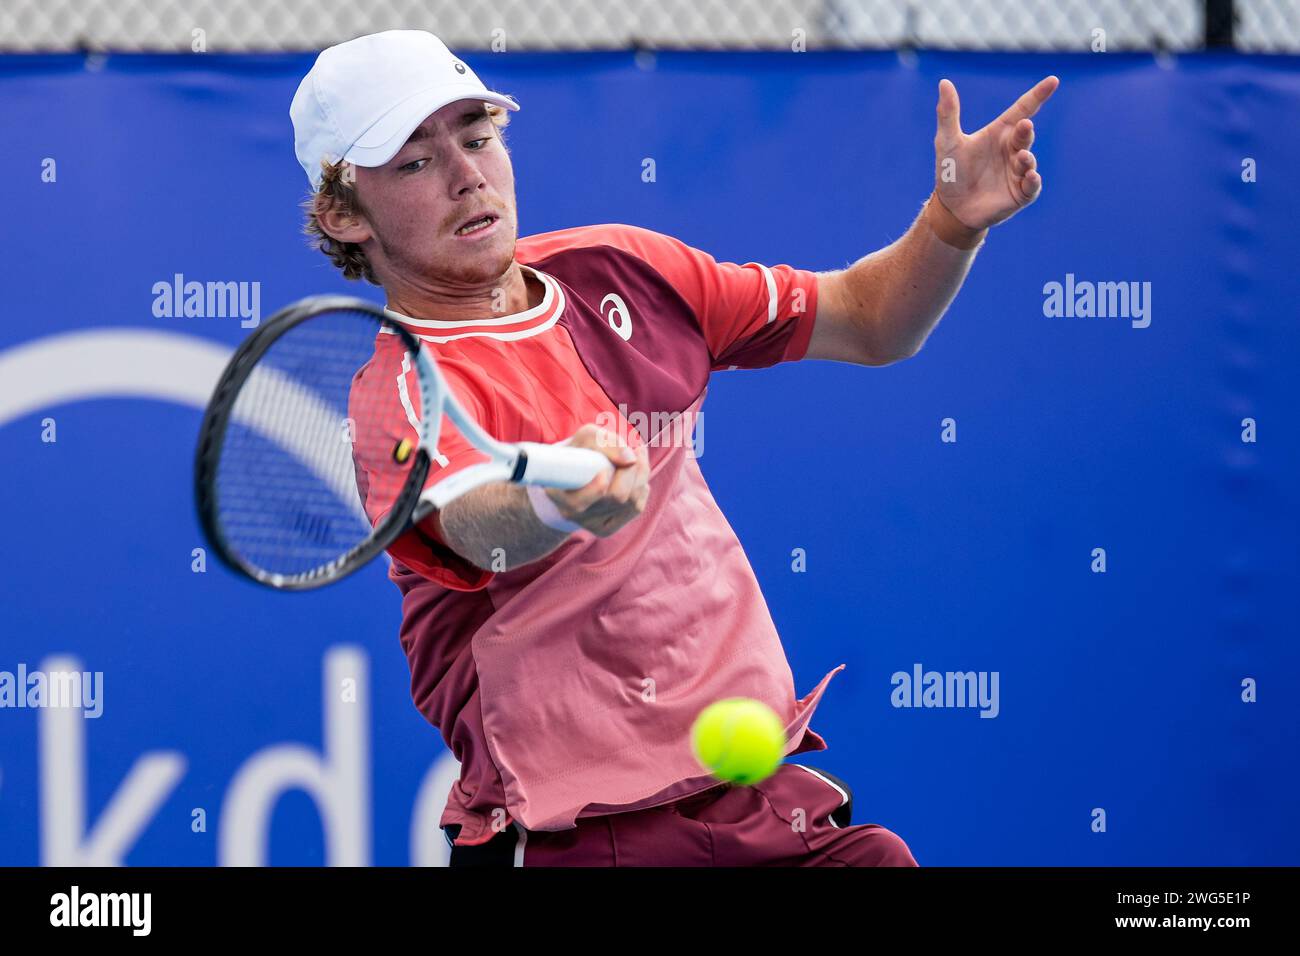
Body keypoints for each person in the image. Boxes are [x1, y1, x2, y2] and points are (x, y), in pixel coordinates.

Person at [290, 29, 1056, 866]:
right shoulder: (400, 386)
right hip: (575, 836)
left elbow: (872, 322)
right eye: (413, 164)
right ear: (342, 213)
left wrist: (950, 223)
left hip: (753, 794)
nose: (468, 174)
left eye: (477, 137)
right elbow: (476, 524)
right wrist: (557, 498)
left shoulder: (624, 270)